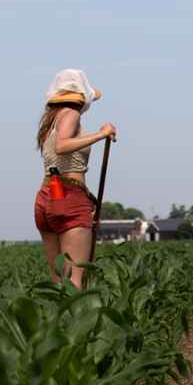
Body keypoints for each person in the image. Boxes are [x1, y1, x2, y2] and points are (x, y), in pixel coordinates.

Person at [34, 69, 116, 288]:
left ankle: (52, 321)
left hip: (47, 196)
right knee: (74, 280)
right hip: (69, 196)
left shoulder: (51, 119)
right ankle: (75, 322)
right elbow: (62, 146)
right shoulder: (71, 114)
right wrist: (102, 134)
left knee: (57, 279)